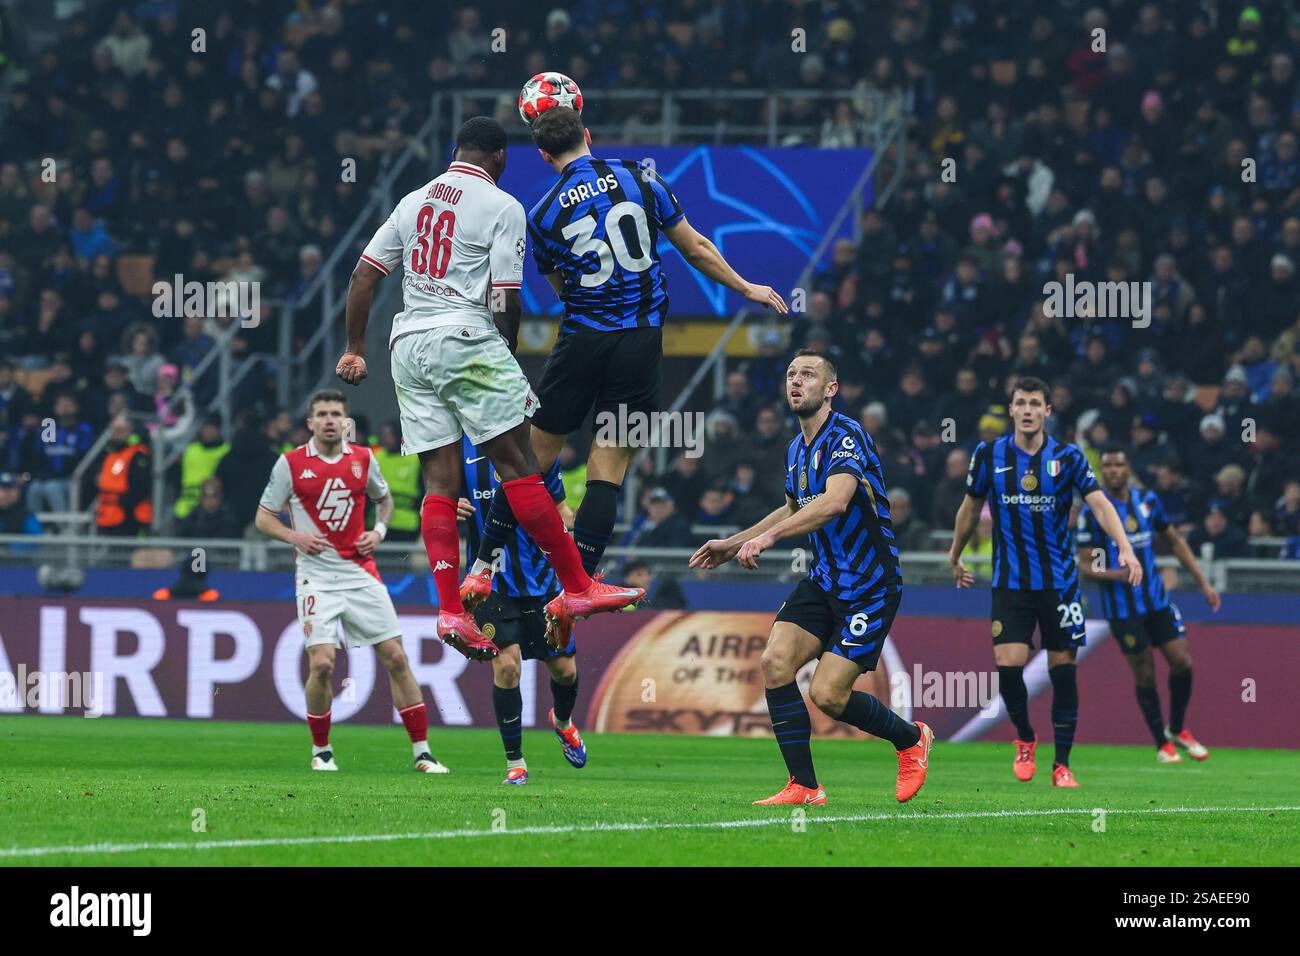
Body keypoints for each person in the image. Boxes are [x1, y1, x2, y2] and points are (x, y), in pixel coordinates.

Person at [336, 116, 643, 657]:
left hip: (406, 344)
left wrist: (354, 349)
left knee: (439, 482)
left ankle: (451, 610)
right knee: (521, 464)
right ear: (500, 158)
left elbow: (364, 275)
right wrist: (506, 352)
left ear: (456, 150)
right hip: (465, 337)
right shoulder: (502, 206)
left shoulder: (413, 201)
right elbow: (504, 295)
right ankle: (578, 585)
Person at [463, 105, 785, 612]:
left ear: (545, 156)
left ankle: (482, 569)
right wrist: (746, 287)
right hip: (640, 345)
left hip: (582, 342)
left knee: (527, 462)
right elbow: (696, 247)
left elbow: (563, 290)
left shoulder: (542, 213)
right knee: (607, 470)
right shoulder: (642, 180)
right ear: (589, 134)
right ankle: (582, 583)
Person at [690, 350, 933, 806]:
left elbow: (835, 501)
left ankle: (910, 739)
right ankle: (803, 785)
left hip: (870, 586)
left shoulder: (847, 436)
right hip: (825, 580)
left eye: (808, 375)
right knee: (774, 662)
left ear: (831, 389)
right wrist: (733, 542)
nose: (796, 382)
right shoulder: (795, 447)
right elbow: (793, 505)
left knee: (827, 695)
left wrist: (769, 540)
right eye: (790, 375)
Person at [950, 377, 1142, 788]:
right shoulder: (988, 455)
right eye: (1020, 403)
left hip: (1059, 583)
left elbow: (1100, 504)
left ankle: (1062, 764)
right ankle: (1024, 736)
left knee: (1063, 669)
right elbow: (969, 509)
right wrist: (955, 553)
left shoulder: (1069, 457)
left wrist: (1124, 546)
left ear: (1047, 411)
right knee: (1008, 667)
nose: (1027, 410)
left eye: (1035, 403)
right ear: (1012, 410)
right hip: (1010, 583)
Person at [254, 389, 445, 774]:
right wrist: (296, 537)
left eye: (335, 413)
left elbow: (385, 500)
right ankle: (321, 751)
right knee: (322, 664)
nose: (328, 420)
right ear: (310, 422)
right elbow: (264, 517)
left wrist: (379, 531)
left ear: (345, 422)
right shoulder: (289, 464)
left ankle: (423, 752)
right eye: (321, 413)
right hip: (316, 577)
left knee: (397, 657)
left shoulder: (363, 458)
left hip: (361, 573)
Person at [458, 436, 587, 785]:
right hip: (489, 584)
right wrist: (448, 505)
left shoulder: (536, 446)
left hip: (540, 581)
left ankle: (562, 721)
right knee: (507, 666)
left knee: (564, 670)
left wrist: (582, 530)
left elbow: (562, 510)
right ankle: (515, 762)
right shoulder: (457, 449)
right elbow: (435, 502)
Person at [1077, 447, 1217, 763]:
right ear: (1101, 471)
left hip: (1156, 602)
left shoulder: (1148, 502)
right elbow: (1085, 565)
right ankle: (1161, 744)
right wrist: (1118, 574)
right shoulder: (1092, 512)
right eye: (1107, 465)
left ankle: (1177, 728)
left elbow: (1175, 541)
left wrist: (1204, 582)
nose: (1113, 470)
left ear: (1129, 469)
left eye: (1119, 464)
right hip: (1122, 610)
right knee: (1145, 674)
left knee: (1183, 662)